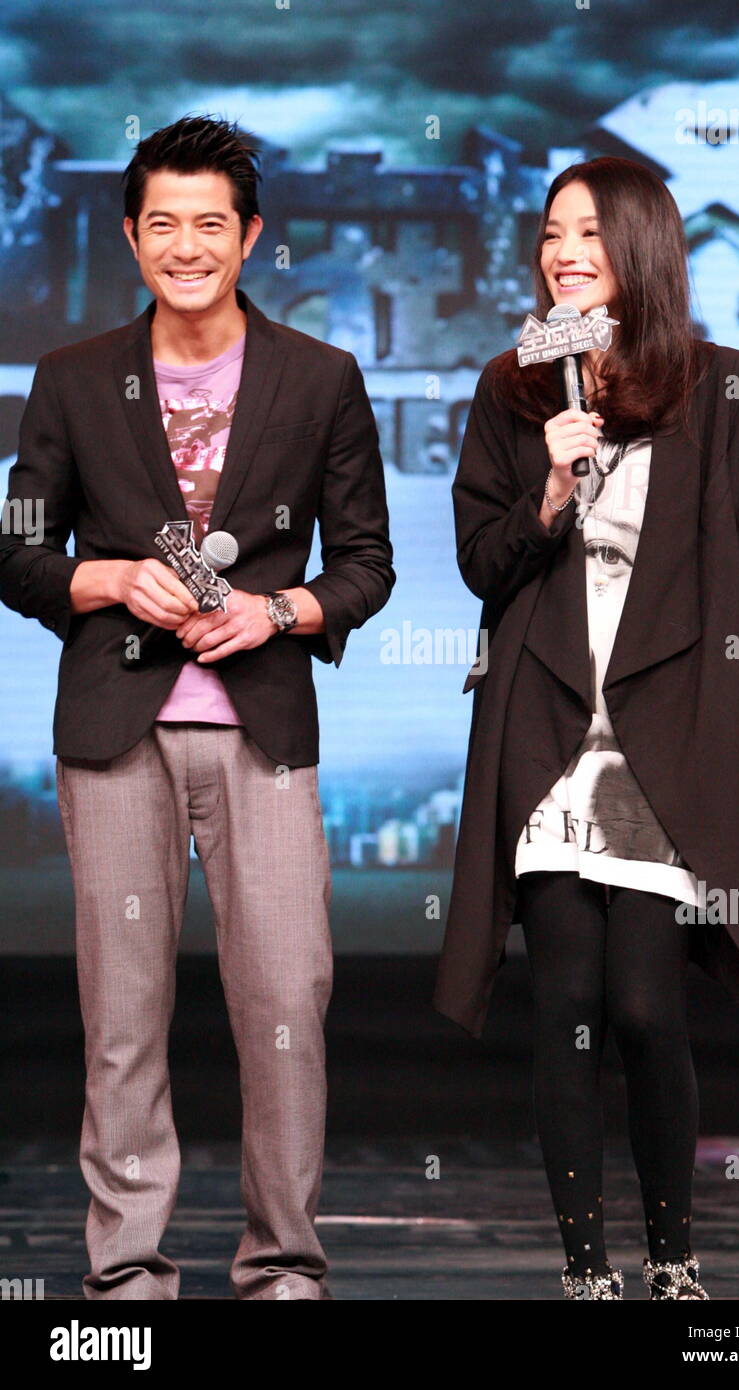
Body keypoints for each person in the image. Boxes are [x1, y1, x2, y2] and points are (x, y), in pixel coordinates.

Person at [0, 115, 395, 1300]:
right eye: (161, 223)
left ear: (250, 235)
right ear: (131, 236)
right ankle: (127, 1275)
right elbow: (15, 548)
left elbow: (367, 565)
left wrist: (278, 613)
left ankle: (284, 1265)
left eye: (209, 224)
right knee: (123, 1014)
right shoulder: (72, 378)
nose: (186, 245)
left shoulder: (321, 377)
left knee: (288, 1001)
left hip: (262, 725)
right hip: (114, 731)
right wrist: (105, 576)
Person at [433, 156, 739, 1300]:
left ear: (638, 245)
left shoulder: (719, 382)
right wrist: (544, 492)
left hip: (667, 723)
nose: (564, 250)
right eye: (550, 232)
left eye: (587, 230)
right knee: (566, 1007)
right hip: (546, 726)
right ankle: (588, 1269)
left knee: (644, 1005)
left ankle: (673, 1255)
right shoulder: (514, 386)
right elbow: (481, 562)